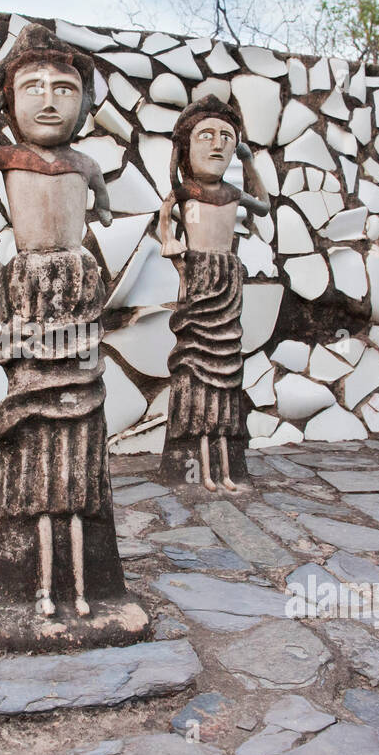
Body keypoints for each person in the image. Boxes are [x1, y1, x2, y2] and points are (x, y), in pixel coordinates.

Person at [0, 23, 120, 620]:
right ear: (8, 101)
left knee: (81, 407)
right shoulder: (3, 157)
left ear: (82, 103)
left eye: (64, 87)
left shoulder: (83, 161)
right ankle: (34, 577)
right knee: (32, 407)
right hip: (28, 286)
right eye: (32, 87)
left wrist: (101, 208)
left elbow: (101, 200)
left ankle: (83, 582)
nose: (49, 99)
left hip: (77, 286)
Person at [156, 95, 270, 492]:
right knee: (197, 370)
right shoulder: (186, 192)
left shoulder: (233, 194)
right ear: (188, 148)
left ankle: (225, 468)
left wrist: (250, 159)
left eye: (226, 136)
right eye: (206, 135)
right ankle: (200, 469)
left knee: (226, 375)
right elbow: (165, 220)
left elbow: (266, 206)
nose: (217, 144)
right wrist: (170, 244)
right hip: (197, 275)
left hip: (228, 277)